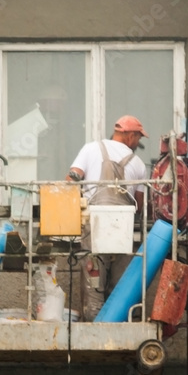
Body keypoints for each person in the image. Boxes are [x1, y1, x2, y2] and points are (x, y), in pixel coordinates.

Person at [66, 115, 149, 321]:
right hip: (123, 226)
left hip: (94, 223)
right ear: (130, 135)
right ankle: (118, 327)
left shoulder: (91, 148)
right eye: (138, 138)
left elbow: (71, 179)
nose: (138, 143)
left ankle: (95, 334)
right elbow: (140, 205)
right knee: (120, 284)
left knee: (93, 280)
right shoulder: (138, 163)